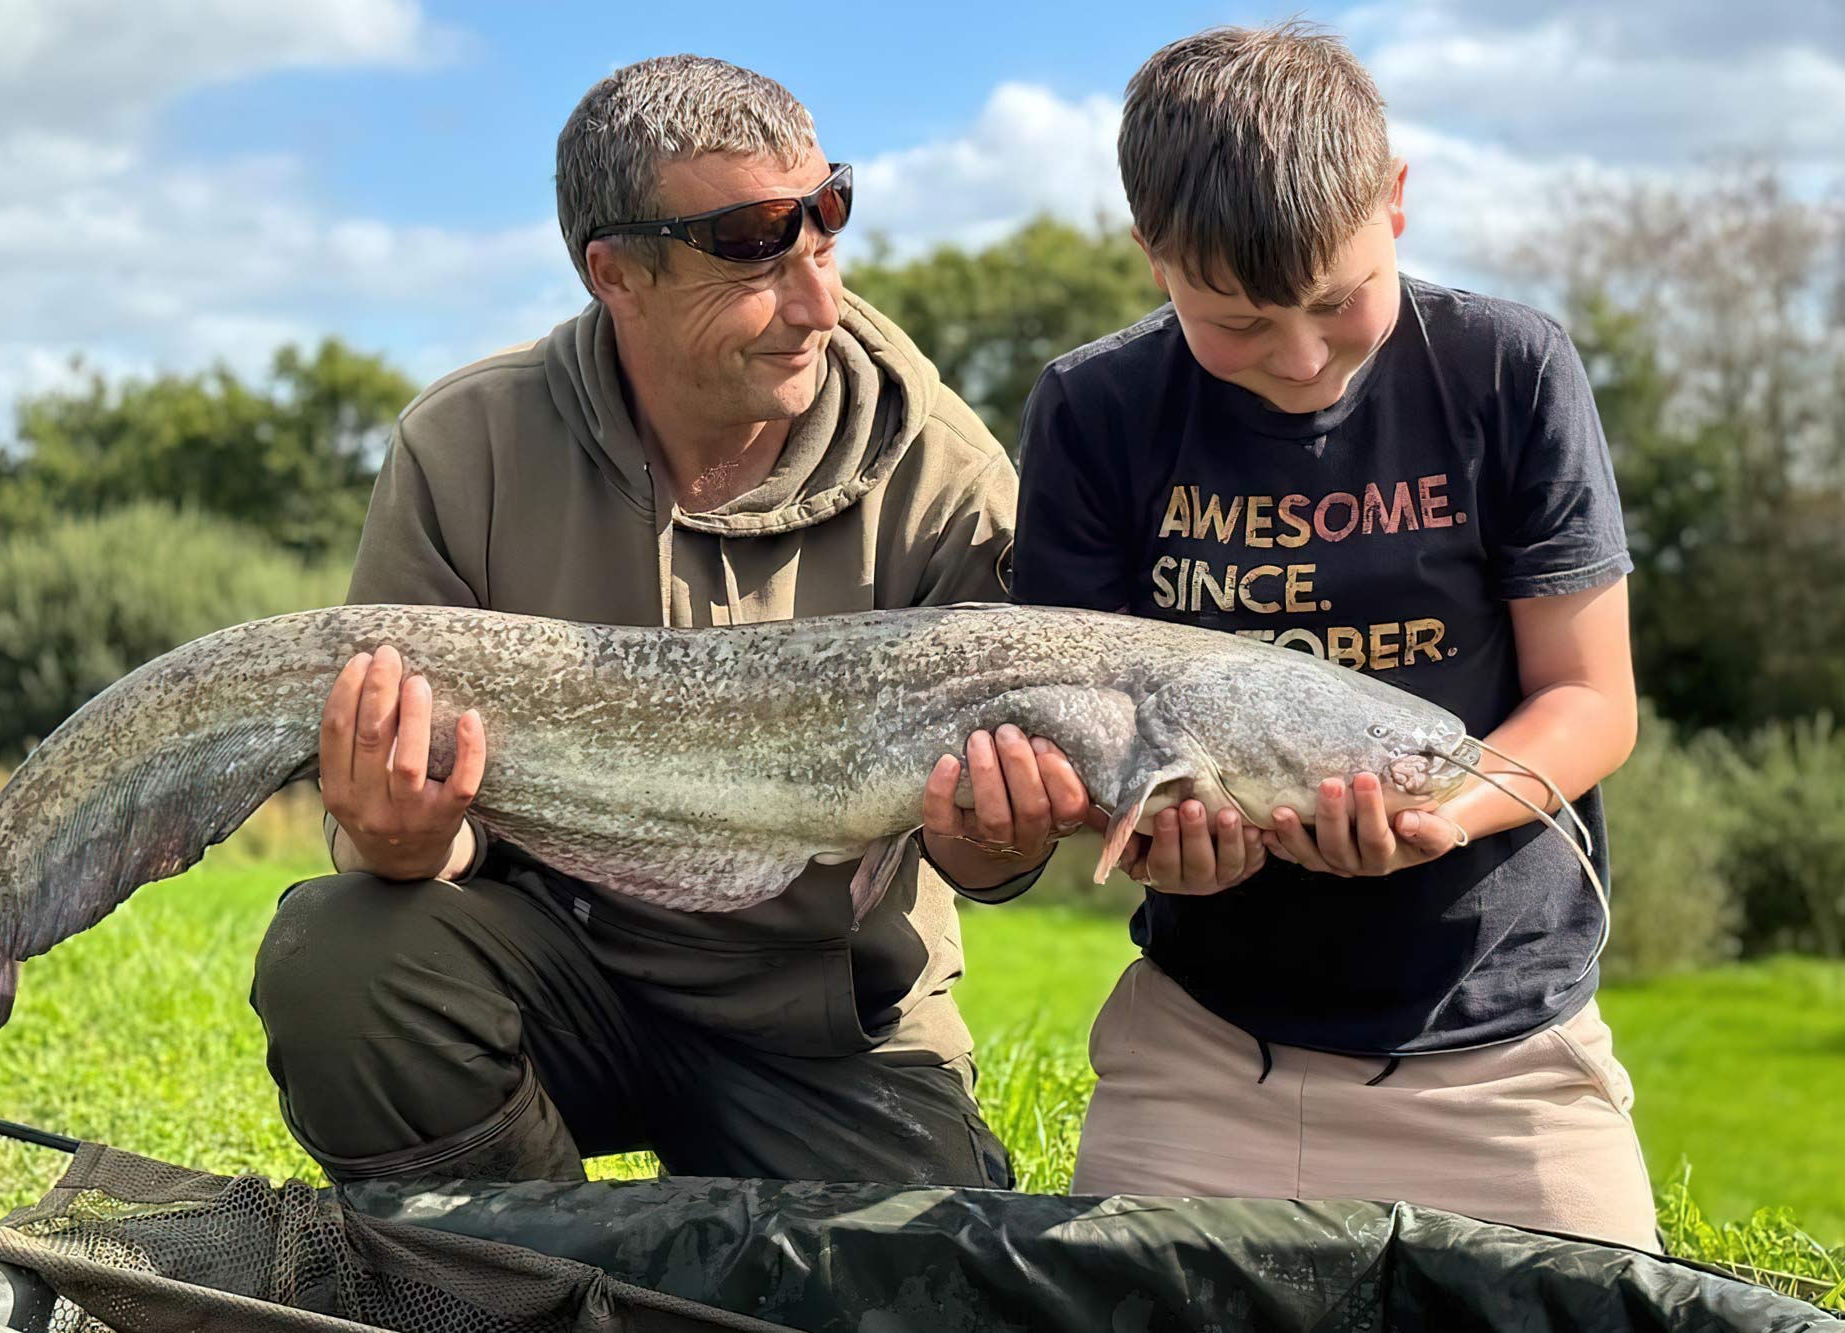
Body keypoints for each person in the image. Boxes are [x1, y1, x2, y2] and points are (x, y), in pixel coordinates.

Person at [249, 54, 1089, 1193]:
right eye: (751, 253)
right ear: (615, 273)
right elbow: (418, 836)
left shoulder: (944, 470)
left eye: (825, 235)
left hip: (832, 1024)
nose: (816, 305)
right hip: (557, 981)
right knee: (342, 954)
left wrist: (1001, 834)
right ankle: (520, 1291)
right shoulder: (462, 448)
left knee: (933, 1287)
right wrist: (403, 840)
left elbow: (984, 863)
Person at [1010, 23, 1657, 1249]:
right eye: (1236, 322)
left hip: (1503, 1055)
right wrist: (1144, 838)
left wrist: (1438, 817)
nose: (1298, 357)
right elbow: (1077, 727)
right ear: (1150, 254)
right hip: (1204, 1047)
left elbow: (1588, 700)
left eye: (1333, 300)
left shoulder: (1507, 371)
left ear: (1394, 202)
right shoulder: (1093, 409)